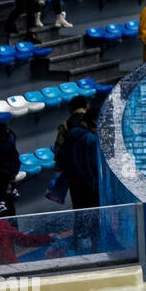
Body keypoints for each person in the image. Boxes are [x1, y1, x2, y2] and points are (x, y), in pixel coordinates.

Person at [58, 103, 99, 251]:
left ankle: (76, 242)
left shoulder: (73, 131)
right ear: (94, 120)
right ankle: (95, 246)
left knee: (79, 213)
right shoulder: (91, 139)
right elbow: (95, 165)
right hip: (89, 184)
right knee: (94, 216)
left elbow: (61, 155)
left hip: (74, 182)